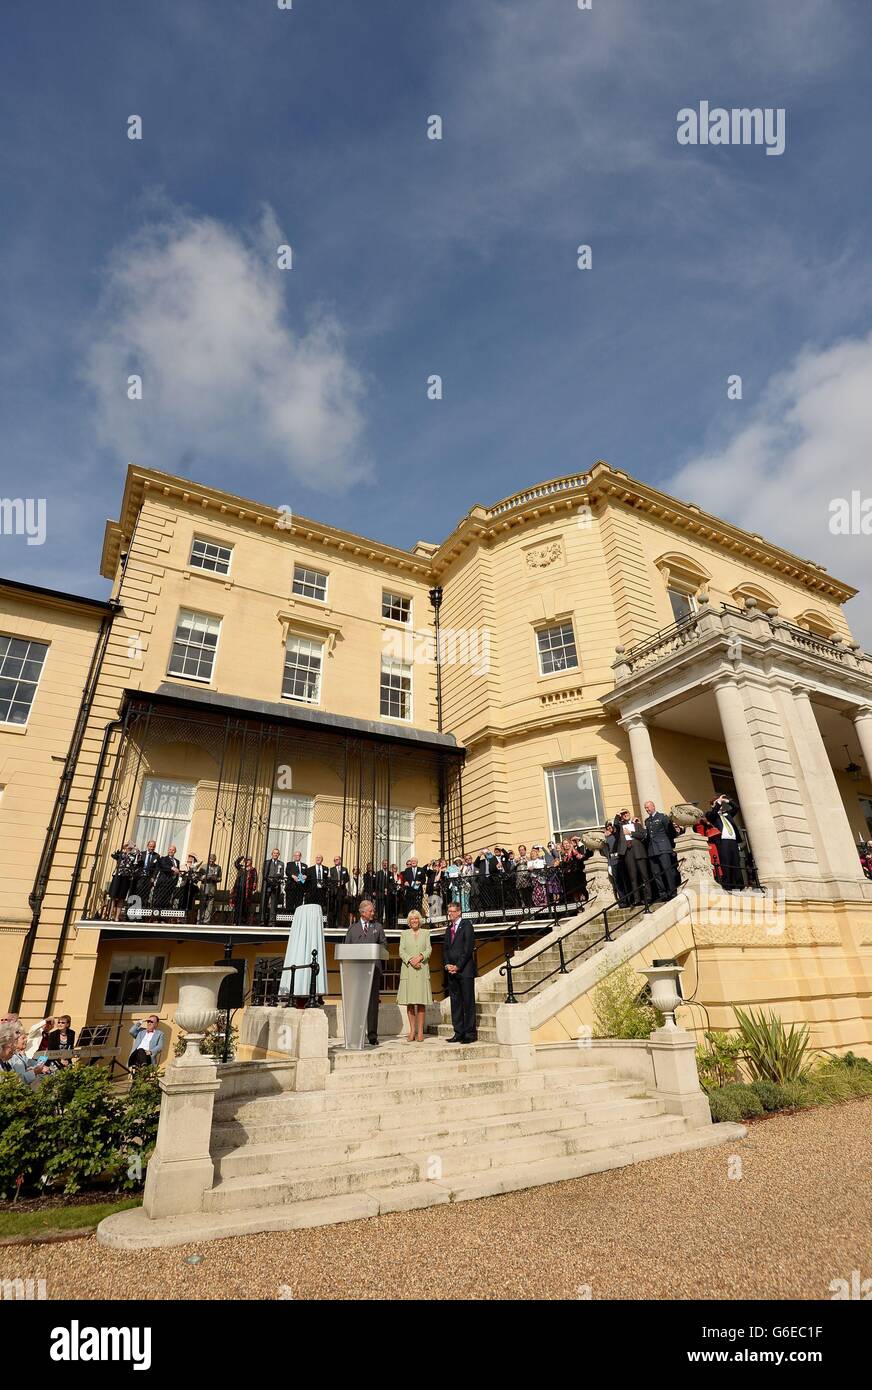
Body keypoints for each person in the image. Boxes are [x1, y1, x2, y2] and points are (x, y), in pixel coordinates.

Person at [343, 899, 387, 1046]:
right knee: (356, 1004)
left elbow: (384, 946)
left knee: (373, 1005)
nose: (373, 913)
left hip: (373, 972)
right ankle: (356, 1034)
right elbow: (346, 950)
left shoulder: (378, 927)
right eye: (371, 911)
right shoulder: (352, 929)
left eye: (373, 911)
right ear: (362, 913)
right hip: (356, 973)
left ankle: (372, 1036)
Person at [443, 900, 477, 1043]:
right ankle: (458, 1032)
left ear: (459, 912)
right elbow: (445, 949)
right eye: (448, 911)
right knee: (455, 1002)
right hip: (451, 972)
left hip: (465, 971)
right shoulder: (447, 929)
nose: (449, 914)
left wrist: (457, 966)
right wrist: (447, 964)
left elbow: (467, 949)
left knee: (468, 1002)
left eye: (452, 911)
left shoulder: (467, 925)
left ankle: (469, 1033)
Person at [398, 908, 432, 1042]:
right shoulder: (404, 934)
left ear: (419, 920)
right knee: (410, 1003)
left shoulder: (426, 933)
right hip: (408, 970)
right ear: (409, 921)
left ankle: (420, 1032)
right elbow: (401, 951)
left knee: (421, 1002)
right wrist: (411, 960)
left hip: (422, 969)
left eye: (416, 918)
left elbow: (429, 949)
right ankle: (412, 1031)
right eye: (412, 919)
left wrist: (420, 958)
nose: (414, 921)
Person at [613, 810, 652, 909]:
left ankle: (648, 897)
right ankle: (637, 899)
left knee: (644, 876)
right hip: (628, 854)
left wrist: (631, 833)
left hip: (639, 852)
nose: (626, 815)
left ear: (630, 815)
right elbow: (615, 824)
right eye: (624, 814)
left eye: (627, 813)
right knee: (633, 878)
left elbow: (643, 835)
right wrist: (618, 814)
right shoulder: (620, 826)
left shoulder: (637, 825)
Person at [705, 795, 743, 891]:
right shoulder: (711, 815)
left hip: (733, 841)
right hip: (723, 842)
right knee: (726, 863)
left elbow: (736, 807)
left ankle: (739, 885)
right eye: (718, 803)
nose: (720, 804)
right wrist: (718, 802)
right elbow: (713, 815)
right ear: (712, 805)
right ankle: (728, 886)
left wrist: (727, 800)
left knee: (736, 863)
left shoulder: (727, 814)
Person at [643, 801, 679, 900]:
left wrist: (671, 846)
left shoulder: (663, 817)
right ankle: (662, 894)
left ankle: (672, 892)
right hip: (652, 850)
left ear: (653, 806)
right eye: (645, 808)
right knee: (656, 874)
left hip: (663, 848)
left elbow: (670, 832)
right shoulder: (647, 821)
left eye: (648, 807)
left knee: (667, 870)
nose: (647, 809)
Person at [107, 843, 138, 921]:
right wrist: (122, 847)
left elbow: (138, 859)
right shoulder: (121, 854)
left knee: (121, 897)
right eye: (128, 847)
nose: (129, 848)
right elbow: (113, 854)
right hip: (118, 875)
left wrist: (135, 847)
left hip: (126, 877)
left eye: (130, 847)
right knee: (113, 896)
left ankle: (117, 916)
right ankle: (110, 915)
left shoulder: (133, 856)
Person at [132, 840, 160, 913]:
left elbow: (157, 868)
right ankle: (135, 913)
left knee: (146, 895)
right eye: (150, 846)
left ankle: (142, 913)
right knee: (138, 894)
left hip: (149, 878)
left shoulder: (156, 856)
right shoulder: (142, 854)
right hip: (140, 877)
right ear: (147, 846)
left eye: (153, 847)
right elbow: (137, 864)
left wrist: (153, 877)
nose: (152, 848)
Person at [231, 856, 258, 924]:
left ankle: (243, 921)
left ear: (251, 861)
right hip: (239, 889)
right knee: (238, 905)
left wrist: (254, 887)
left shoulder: (253, 869)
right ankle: (236, 921)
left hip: (247, 890)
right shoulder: (241, 868)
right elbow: (236, 863)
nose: (247, 861)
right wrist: (242, 857)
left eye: (248, 860)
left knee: (245, 906)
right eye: (246, 860)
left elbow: (255, 879)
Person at [262, 848, 286, 925]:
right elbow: (264, 873)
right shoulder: (267, 862)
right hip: (268, 884)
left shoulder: (281, 863)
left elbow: (281, 874)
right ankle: (262, 920)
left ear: (278, 855)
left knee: (274, 903)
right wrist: (270, 880)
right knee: (264, 902)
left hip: (276, 885)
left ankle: (271, 921)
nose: (275, 854)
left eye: (277, 853)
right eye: (274, 853)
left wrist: (276, 879)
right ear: (271, 854)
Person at [153, 845, 180, 911]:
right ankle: (157, 917)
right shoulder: (163, 858)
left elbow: (177, 871)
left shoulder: (177, 861)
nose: (171, 851)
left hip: (172, 883)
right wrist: (172, 868)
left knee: (167, 900)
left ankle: (163, 918)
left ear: (175, 851)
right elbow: (163, 866)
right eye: (170, 849)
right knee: (160, 899)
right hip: (163, 882)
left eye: (173, 850)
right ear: (168, 850)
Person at [197, 854, 222, 923]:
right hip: (204, 888)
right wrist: (204, 877)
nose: (211, 862)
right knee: (202, 904)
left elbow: (220, 878)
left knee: (210, 906)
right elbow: (198, 877)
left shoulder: (218, 867)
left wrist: (215, 878)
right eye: (210, 861)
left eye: (212, 861)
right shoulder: (203, 867)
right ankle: (199, 920)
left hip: (212, 888)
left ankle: (206, 921)